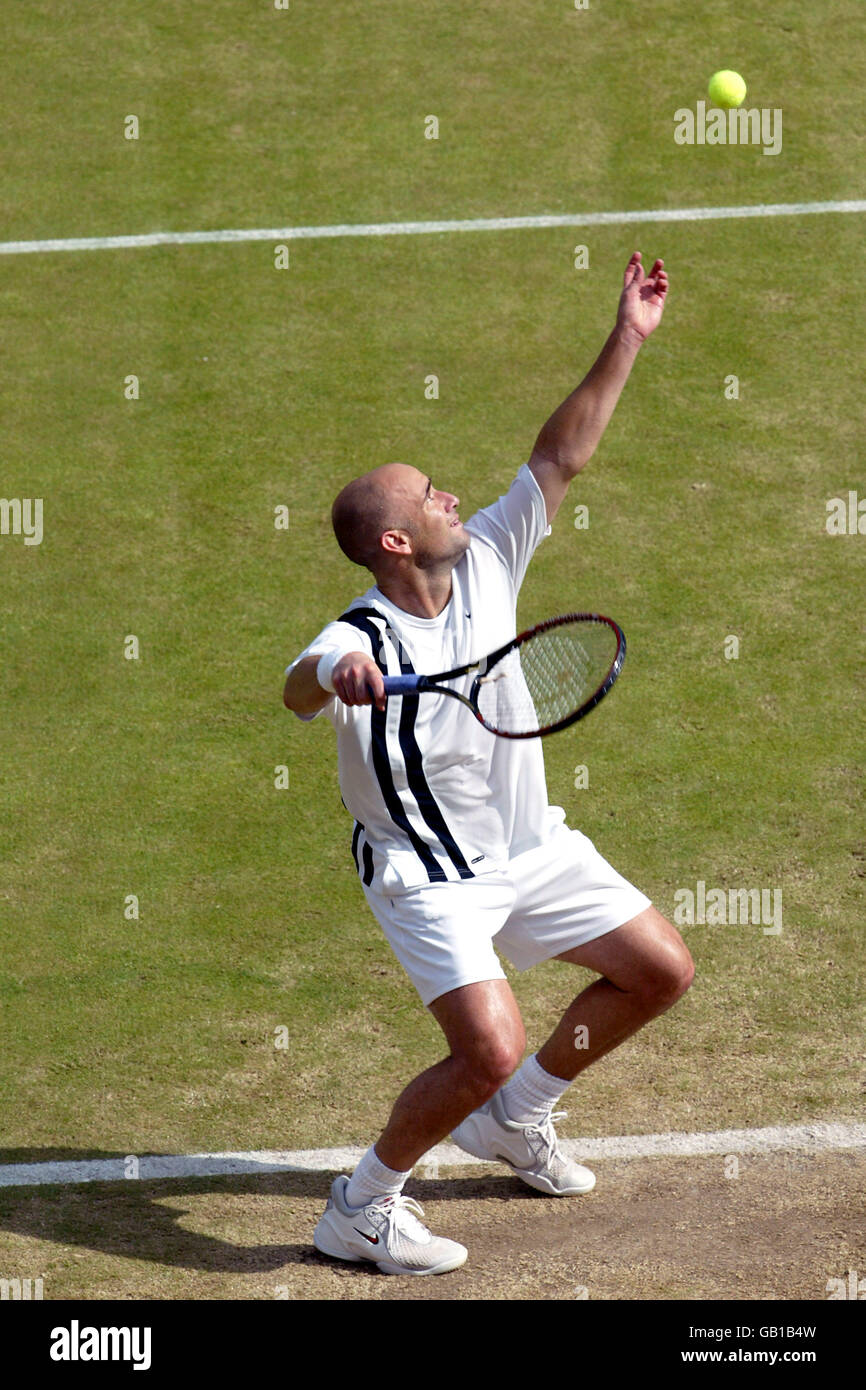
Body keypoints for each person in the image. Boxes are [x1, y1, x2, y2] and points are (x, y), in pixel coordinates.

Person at [283, 251, 693, 1276]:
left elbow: (557, 457)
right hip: (426, 874)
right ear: (391, 539)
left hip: (525, 845)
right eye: (429, 495)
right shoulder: (355, 636)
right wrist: (336, 679)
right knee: (484, 1043)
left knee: (657, 971)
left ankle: (517, 1120)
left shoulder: (489, 558)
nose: (450, 493)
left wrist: (627, 338)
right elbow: (298, 678)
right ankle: (359, 1206)